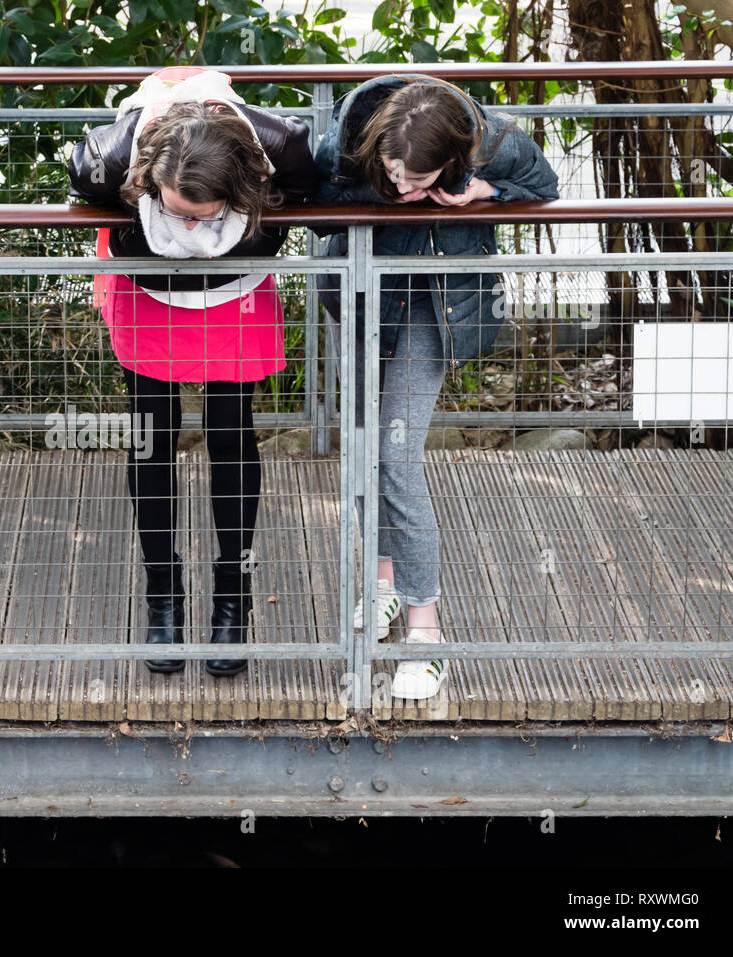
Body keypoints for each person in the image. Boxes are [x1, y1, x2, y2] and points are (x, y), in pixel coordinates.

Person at [312, 74, 559, 698]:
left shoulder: (492, 141)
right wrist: (378, 201)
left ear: (453, 158)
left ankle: (427, 632)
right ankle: (383, 586)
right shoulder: (347, 138)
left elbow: (546, 186)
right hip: (365, 292)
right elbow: (311, 201)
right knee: (364, 448)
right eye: (391, 172)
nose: (401, 187)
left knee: (396, 456)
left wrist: (488, 191)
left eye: (417, 180)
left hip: (439, 302)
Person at [67, 67, 314, 677]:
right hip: (148, 294)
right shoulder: (108, 158)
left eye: (208, 215)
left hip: (237, 291)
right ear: (146, 180)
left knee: (231, 437)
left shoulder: (277, 148)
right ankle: (164, 600)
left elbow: (324, 189)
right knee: (152, 440)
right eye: (179, 212)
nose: (193, 227)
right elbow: (83, 193)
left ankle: (234, 598)